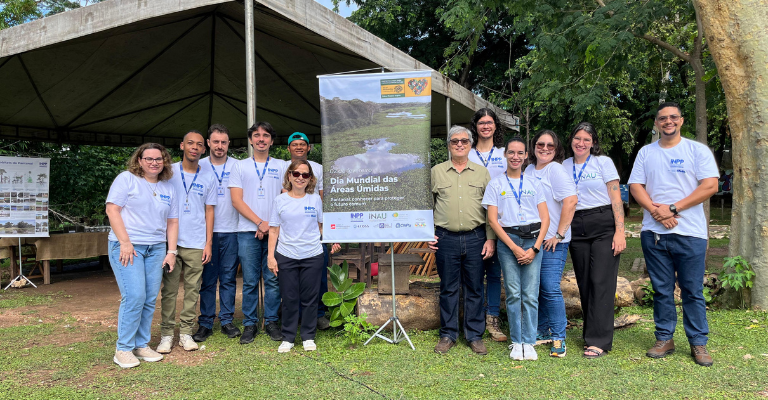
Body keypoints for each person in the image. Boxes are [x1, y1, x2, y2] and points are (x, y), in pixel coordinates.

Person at [629, 102, 719, 367]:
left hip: (690, 232)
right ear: (656, 123)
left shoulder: (697, 150)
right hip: (654, 233)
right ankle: (664, 338)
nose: (668, 121)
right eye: (662, 118)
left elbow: (710, 185)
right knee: (662, 290)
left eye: (673, 117)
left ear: (680, 121)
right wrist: (657, 213)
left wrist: (672, 208)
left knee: (692, 290)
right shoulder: (646, 153)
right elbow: (636, 186)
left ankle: (698, 343)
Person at [105, 143, 178, 368]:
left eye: (158, 159)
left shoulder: (168, 188)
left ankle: (141, 344)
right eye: (149, 158)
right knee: (134, 296)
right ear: (139, 160)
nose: (154, 162)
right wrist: (125, 242)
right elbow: (112, 209)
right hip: (128, 246)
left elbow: (172, 221)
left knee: (148, 298)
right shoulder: (126, 179)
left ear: (164, 161)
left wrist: (171, 251)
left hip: (156, 248)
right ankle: (123, 349)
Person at [429, 125, 495, 355]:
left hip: (476, 237)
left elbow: (490, 210)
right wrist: (428, 232)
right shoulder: (436, 171)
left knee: (475, 288)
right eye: (455, 141)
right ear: (448, 145)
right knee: (448, 288)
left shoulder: (482, 172)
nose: (459, 144)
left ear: (470, 145)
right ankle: (448, 334)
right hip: (445, 238)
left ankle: (474, 335)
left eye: (464, 141)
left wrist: (490, 238)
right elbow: (428, 205)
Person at [562, 122, 626, 358]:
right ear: (571, 140)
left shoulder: (603, 163)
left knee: (601, 281)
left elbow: (616, 197)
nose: (581, 143)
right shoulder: (564, 165)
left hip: (602, 223)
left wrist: (620, 231)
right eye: (577, 138)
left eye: (586, 140)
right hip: (575, 225)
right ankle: (591, 334)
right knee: (585, 282)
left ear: (593, 143)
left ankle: (599, 340)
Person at [483, 137, 549, 361]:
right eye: (511, 152)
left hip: (532, 241)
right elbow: (493, 220)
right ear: (505, 155)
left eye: (520, 153)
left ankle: (529, 342)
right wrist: (513, 247)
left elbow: (546, 219)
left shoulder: (533, 183)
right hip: (508, 241)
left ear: (526, 156)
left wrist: (535, 249)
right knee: (513, 293)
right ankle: (516, 341)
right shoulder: (496, 184)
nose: (515, 157)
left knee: (530, 294)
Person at [267, 160, 340, 353]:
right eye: (296, 174)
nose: (300, 178)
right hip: (287, 254)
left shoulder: (315, 200)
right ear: (289, 176)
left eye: (305, 175)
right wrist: (271, 257)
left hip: (312, 254)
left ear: (310, 179)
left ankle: (308, 336)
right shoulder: (280, 200)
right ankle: (288, 337)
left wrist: (332, 240)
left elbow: (321, 226)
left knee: (310, 297)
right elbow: (273, 230)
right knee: (289, 297)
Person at [157, 131, 217, 353]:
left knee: (193, 290)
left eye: (199, 145)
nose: (195, 147)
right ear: (182, 145)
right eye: (190, 143)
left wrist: (208, 242)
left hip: (196, 242)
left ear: (204, 149)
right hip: (170, 243)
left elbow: (209, 211)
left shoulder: (208, 177)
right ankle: (166, 335)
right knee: (169, 290)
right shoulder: (168, 171)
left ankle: (185, 333)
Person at [229, 122, 287, 344]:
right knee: (251, 280)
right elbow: (236, 200)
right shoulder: (240, 167)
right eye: (256, 135)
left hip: (275, 231)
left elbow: (285, 200)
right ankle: (250, 324)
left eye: (266, 136)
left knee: (273, 279)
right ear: (251, 140)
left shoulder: (282, 165)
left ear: (272, 141)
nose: (261, 139)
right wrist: (259, 222)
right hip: (247, 231)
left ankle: (271, 321)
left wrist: (269, 225)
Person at [524, 130, 577, 358]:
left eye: (550, 146)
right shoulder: (527, 169)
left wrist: (559, 234)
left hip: (553, 241)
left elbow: (571, 200)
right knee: (537, 287)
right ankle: (542, 330)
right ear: (534, 145)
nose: (544, 148)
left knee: (550, 286)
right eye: (540, 144)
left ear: (556, 150)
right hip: (535, 239)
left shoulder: (556, 169)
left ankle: (558, 336)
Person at [195, 124, 242, 341]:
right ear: (208, 143)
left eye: (223, 142)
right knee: (207, 279)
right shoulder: (198, 166)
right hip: (206, 233)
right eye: (215, 142)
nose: (219, 146)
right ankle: (205, 322)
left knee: (229, 278)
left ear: (229, 144)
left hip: (232, 230)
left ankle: (226, 320)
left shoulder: (238, 166)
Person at [467, 108, 507, 343]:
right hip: (472, 219)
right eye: (481, 122)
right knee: (472, 273)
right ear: (476, 126)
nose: (485, 126)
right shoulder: (467, 152)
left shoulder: (503, 153)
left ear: (495, 126)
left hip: (499, 221)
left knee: (494, 273)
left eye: (489, 122)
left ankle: (492, 318)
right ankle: (473, 319)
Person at [286, 132, 330, 330]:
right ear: (289, 148)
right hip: (292, 232)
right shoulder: (283, 168)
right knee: (291, 280)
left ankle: (318, 314)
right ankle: (293, 316)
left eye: (302, 144)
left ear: (309, 147)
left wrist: (325, 231)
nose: (299, 147)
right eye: (294, 144)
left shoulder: (319, 168)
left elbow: (322, 198)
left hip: (314, 230)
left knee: (318, 276)